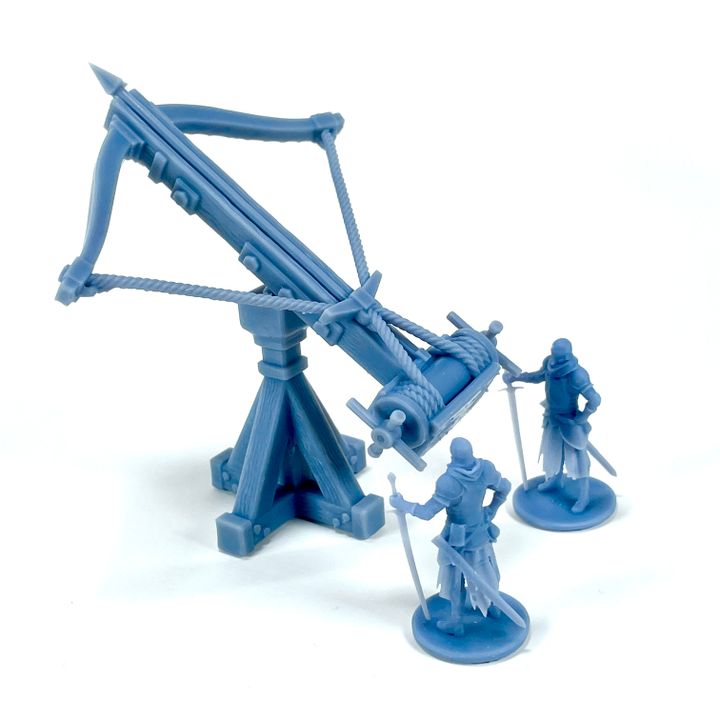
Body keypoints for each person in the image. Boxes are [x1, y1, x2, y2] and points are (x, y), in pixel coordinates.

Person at [389, 437, 510, 636]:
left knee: (456, 578)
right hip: (480, 530)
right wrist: (491, 509)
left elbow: (426, 513)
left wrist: (403, 505)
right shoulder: (485, 469)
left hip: (458, 538)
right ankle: (491, 606)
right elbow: (504, 488)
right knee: (485, 568)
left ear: (453, 457)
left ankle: (457, 620)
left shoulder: (449, 482)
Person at [504, 338, 601, 513]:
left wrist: (582, 417)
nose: (555, 358)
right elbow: (538, 376)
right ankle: (555, 480)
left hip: (569, 420)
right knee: (552, 453)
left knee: (578, 460)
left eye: (559, 355)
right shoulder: (549, 363)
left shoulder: (577, 374)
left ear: (567, 355)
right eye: (554, 352)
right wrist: (518, 377)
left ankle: (584, 496)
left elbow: (594, 399)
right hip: (552, 416)